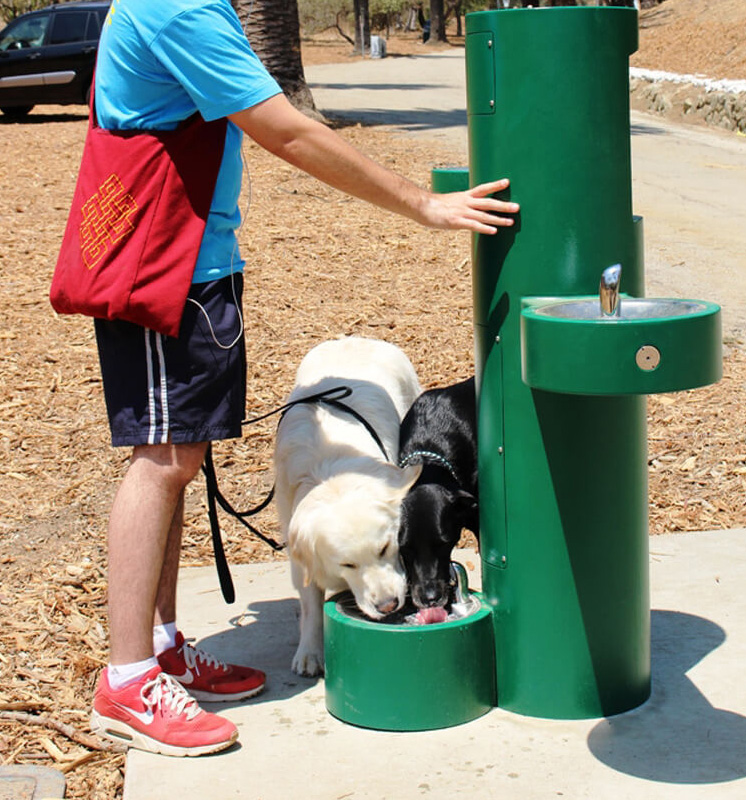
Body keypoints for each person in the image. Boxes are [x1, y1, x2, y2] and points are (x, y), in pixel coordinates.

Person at [81, 0, 518, 758]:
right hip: (161, 270)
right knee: (159, 463)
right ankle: (127, 681)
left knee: (177, 461)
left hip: (193, 266)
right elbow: (285, 129)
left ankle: (161, 647)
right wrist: (422, 203)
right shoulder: (176, 6)